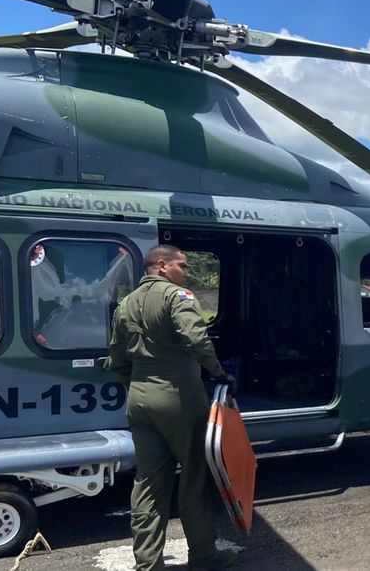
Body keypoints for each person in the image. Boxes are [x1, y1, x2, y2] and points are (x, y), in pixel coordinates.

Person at [105, 244, 237, 571]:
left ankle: (148, 563)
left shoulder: (126, 304)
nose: (187, 272)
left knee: (148, 483)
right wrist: (219, 373)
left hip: (139, 398)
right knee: (194, 477)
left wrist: (138, 386)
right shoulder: (177, 297)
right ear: (162, 266)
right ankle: (204, 556)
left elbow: (116, 360)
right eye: (183, 265)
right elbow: (197, 339)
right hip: (179, 396)